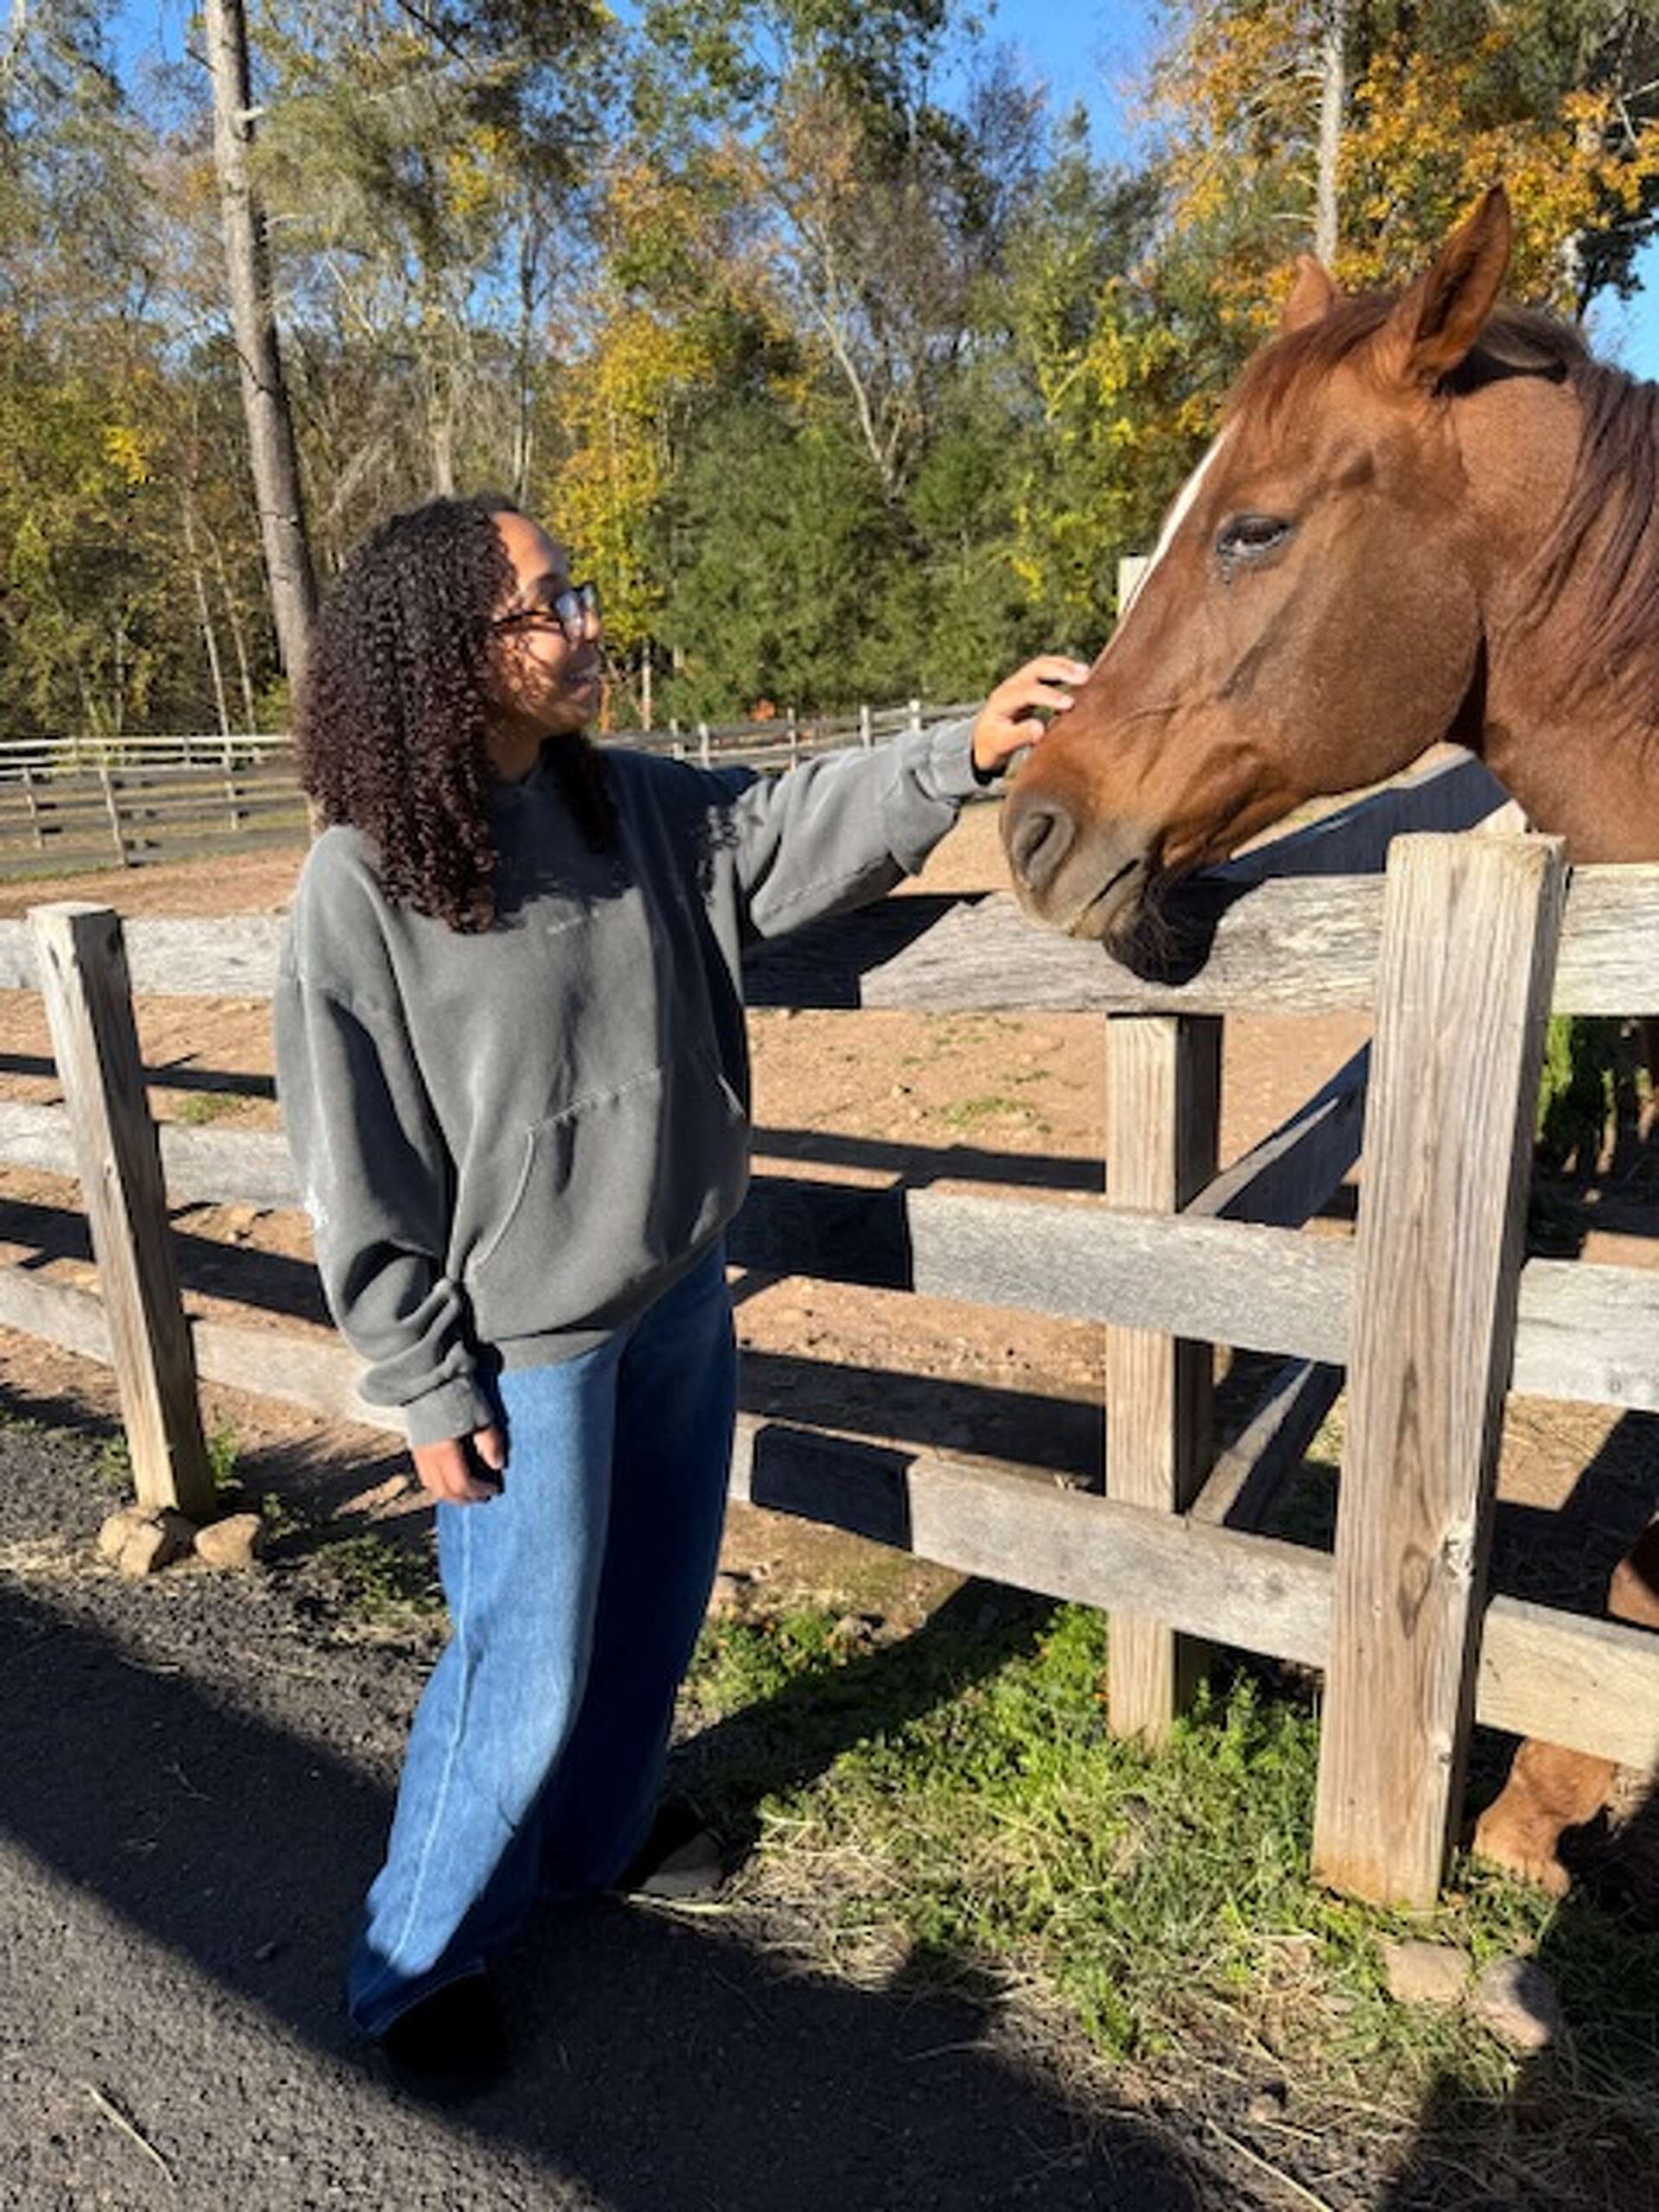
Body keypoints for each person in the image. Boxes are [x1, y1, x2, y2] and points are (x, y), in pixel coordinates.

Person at [274, 493, 1087, 2098]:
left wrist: (964, 753)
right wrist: (424, 1382)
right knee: (521, 1662)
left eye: (577, 590)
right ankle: (415, 1959)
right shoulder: (362, 881)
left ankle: (595, 1843)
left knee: (651, 1606)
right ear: (445, 649)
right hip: (527, 1344)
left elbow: (784, 828)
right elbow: (354, 1158)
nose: (587, 625)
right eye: (546, 604)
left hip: (677, 1295)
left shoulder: (632, 806)